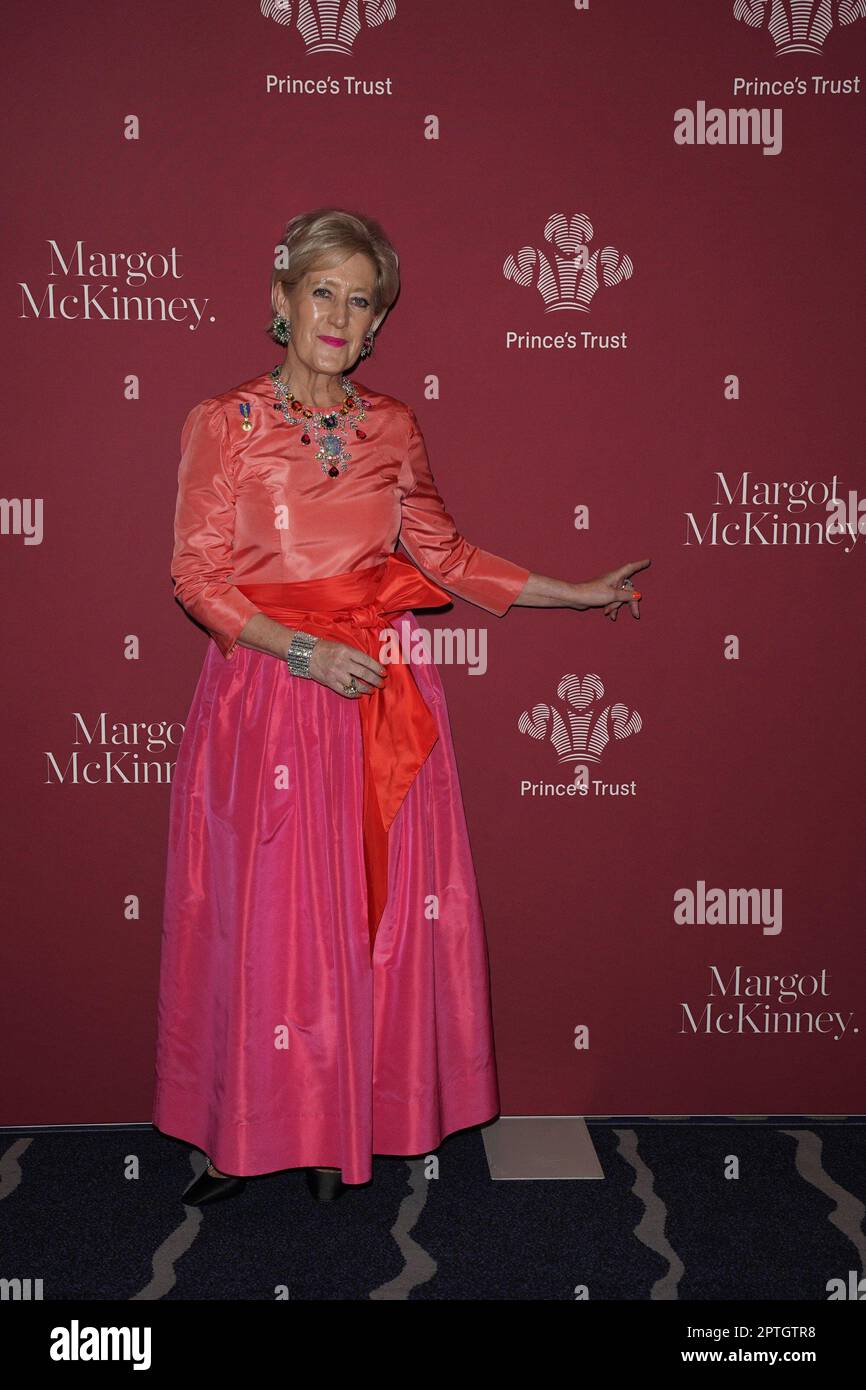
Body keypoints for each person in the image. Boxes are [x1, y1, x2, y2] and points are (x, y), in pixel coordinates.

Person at [152, 207, 649, 1206]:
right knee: (262, 923)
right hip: (266, 696)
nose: (339, 314)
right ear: (281, 303)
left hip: (380, 696)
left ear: (376, 326)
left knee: (361, 919)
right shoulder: (225, 424)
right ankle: (246, 1128)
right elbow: (195, 579)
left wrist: (576, 592)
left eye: (361, 299)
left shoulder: (391, 427)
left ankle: (340, 1124)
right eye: (322, 291)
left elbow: (448, 557)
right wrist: (300, 652)